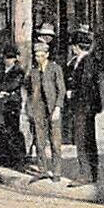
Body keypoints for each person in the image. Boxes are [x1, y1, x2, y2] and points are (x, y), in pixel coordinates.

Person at [25, 36, 66, 181]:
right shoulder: (33, 72)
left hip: (52, 109)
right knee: (40, 141)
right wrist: (29, 109)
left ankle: (56, 172)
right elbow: (29, 91)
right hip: (38, 110)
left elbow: (61, 90)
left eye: (42, 56)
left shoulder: (55, 69)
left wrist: (58, 108)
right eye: (37, 56)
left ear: (47, 55)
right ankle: (42, 169)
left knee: (55, 142)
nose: (39, 58)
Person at [66, 29, 104, 184]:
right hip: (87, 107)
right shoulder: (83, 60)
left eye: (73, 46)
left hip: (83, 107)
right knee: (88, 139)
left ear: (76, 46)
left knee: (82, 140)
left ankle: (85, 174)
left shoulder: (85, 62)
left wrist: (71, 93)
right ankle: (92, 173)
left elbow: (85, 86)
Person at [0, 44, 27, 169]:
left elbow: (14, 84)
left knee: (13, 130)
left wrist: (0, 88)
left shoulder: (18, 70)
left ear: (15, 59)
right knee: (3, 130)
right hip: (2, 103)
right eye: (6, 58)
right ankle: (5, 158)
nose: (8, 60)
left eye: (10, 58)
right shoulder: (2, 70)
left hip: (12, 103)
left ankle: (18, 158)